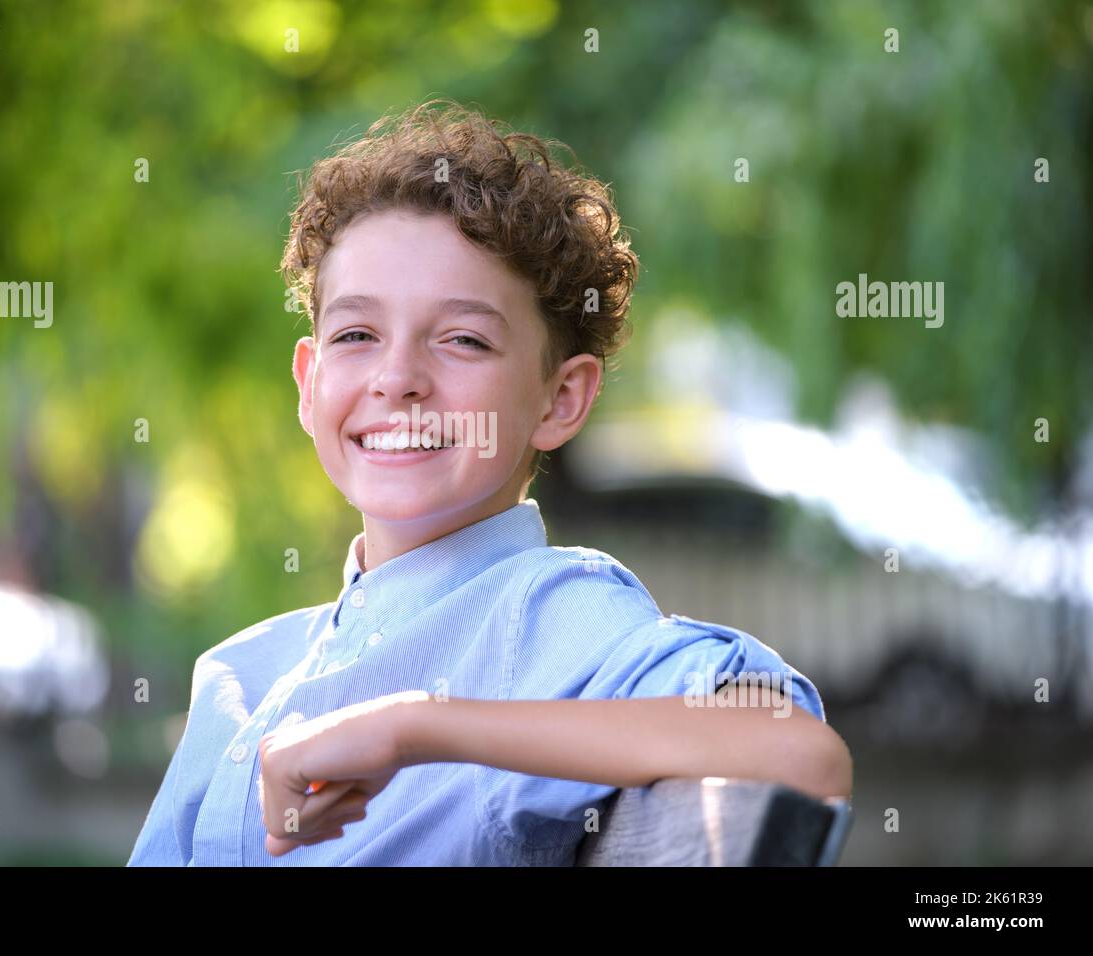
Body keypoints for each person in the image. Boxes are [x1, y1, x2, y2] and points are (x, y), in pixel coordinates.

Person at [128, 98, 852, 866]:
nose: (398, 378)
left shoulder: (543, 615)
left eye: (464, 339)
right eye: (356, 335)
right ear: (309, 384)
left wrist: (415, 727)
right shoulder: (242, 672)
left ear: (560, 398)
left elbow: (796, 752)